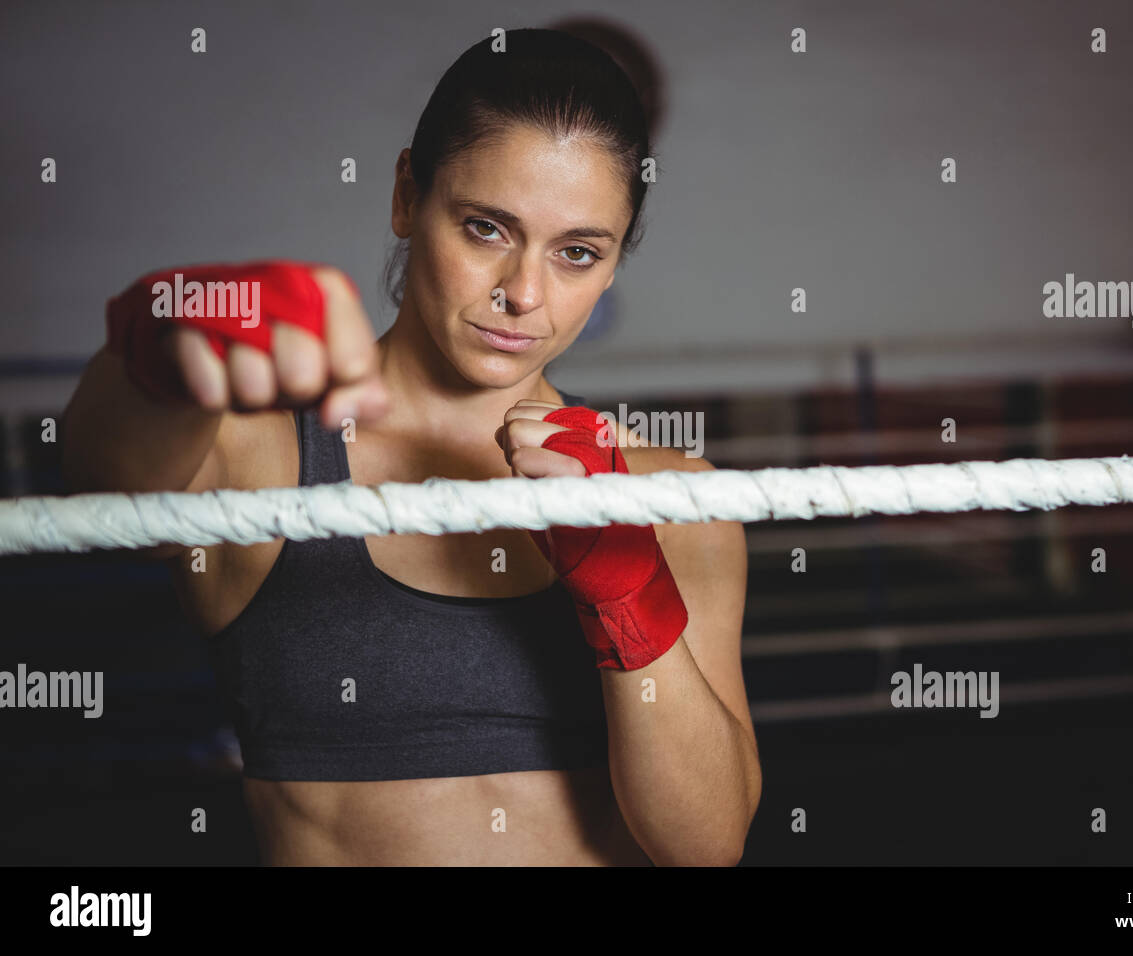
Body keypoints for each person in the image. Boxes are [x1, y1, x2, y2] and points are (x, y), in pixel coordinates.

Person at [60, 28, 760, 866]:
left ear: (611, 268)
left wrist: (629, 591)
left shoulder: (673, 498)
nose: (524, 294)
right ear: (405, 196)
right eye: (485, 228)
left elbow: (707, 846)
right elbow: (104, 482)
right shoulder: (264, 459)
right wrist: (161, 341)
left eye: (577, 253)